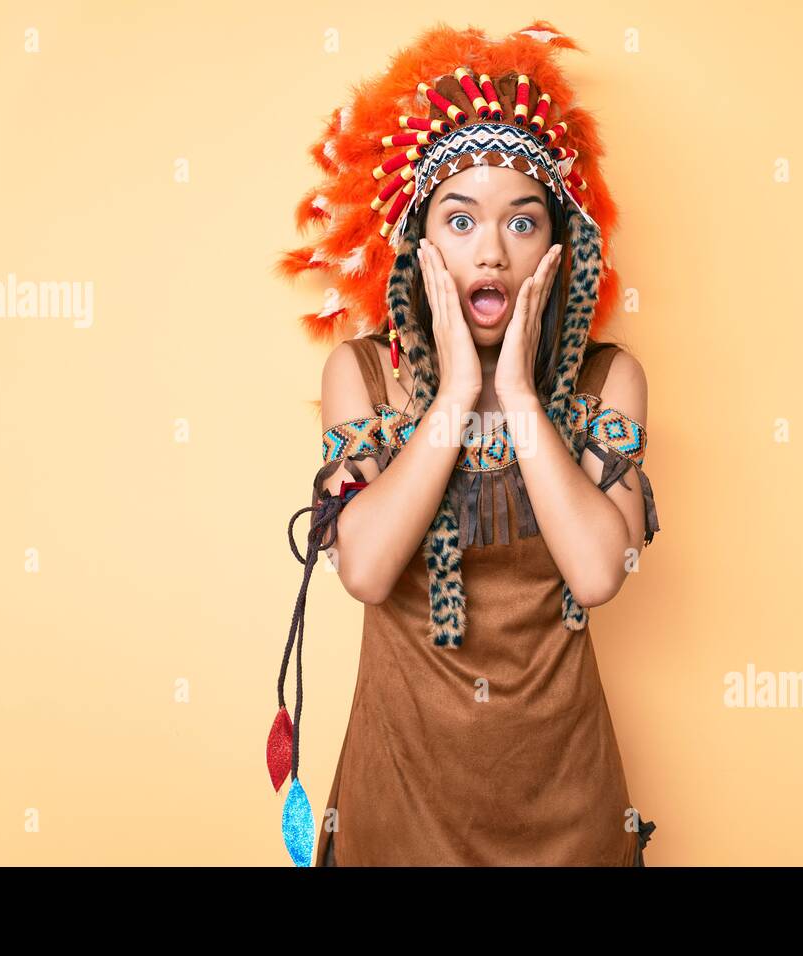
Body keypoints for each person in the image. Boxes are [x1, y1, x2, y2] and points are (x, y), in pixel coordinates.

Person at [270, 21, 661, 866]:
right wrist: (451, 396)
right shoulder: (362, 377)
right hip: (399, 798)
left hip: (567, 800)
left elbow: (599, 574)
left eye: (522, 224)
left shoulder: (608, 382)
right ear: (417, 244)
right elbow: (366, 572)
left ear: (560, 249)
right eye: (460, 220)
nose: (491, 250)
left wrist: (518, 393)